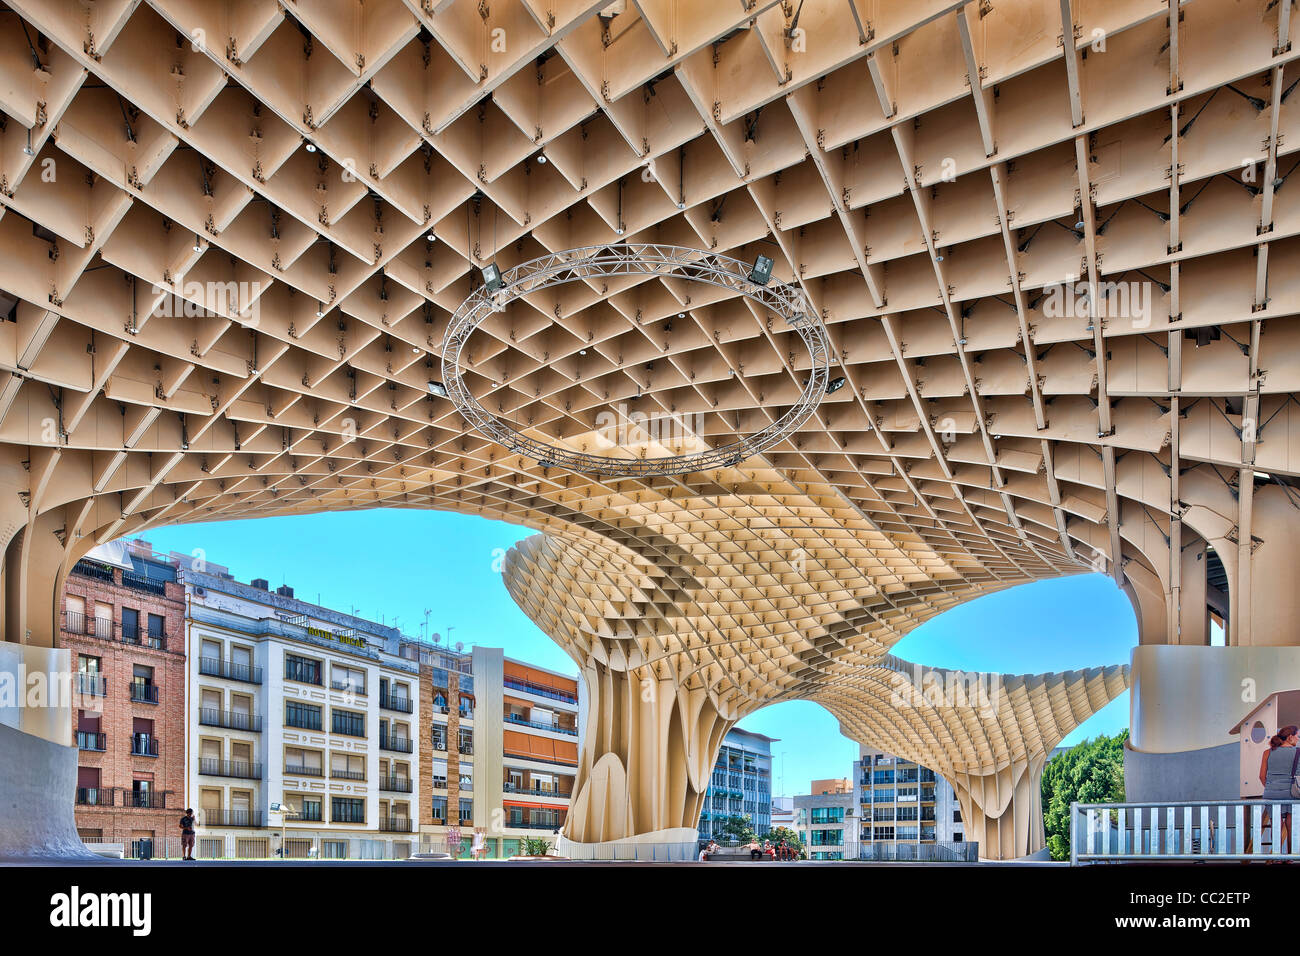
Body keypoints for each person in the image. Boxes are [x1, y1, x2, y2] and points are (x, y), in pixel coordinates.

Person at [1260, 725, 1300, 856]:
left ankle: (1277, 856)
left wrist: (1271, 786)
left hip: (1271, 793)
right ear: (1290, 737)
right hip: (1291, 792)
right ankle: (1290, 856)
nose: (1298, 740)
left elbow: (1261, 776)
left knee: (1276, 825)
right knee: (1291, 825)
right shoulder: (1298, 752)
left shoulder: (1268, 752)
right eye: (1297, 736)